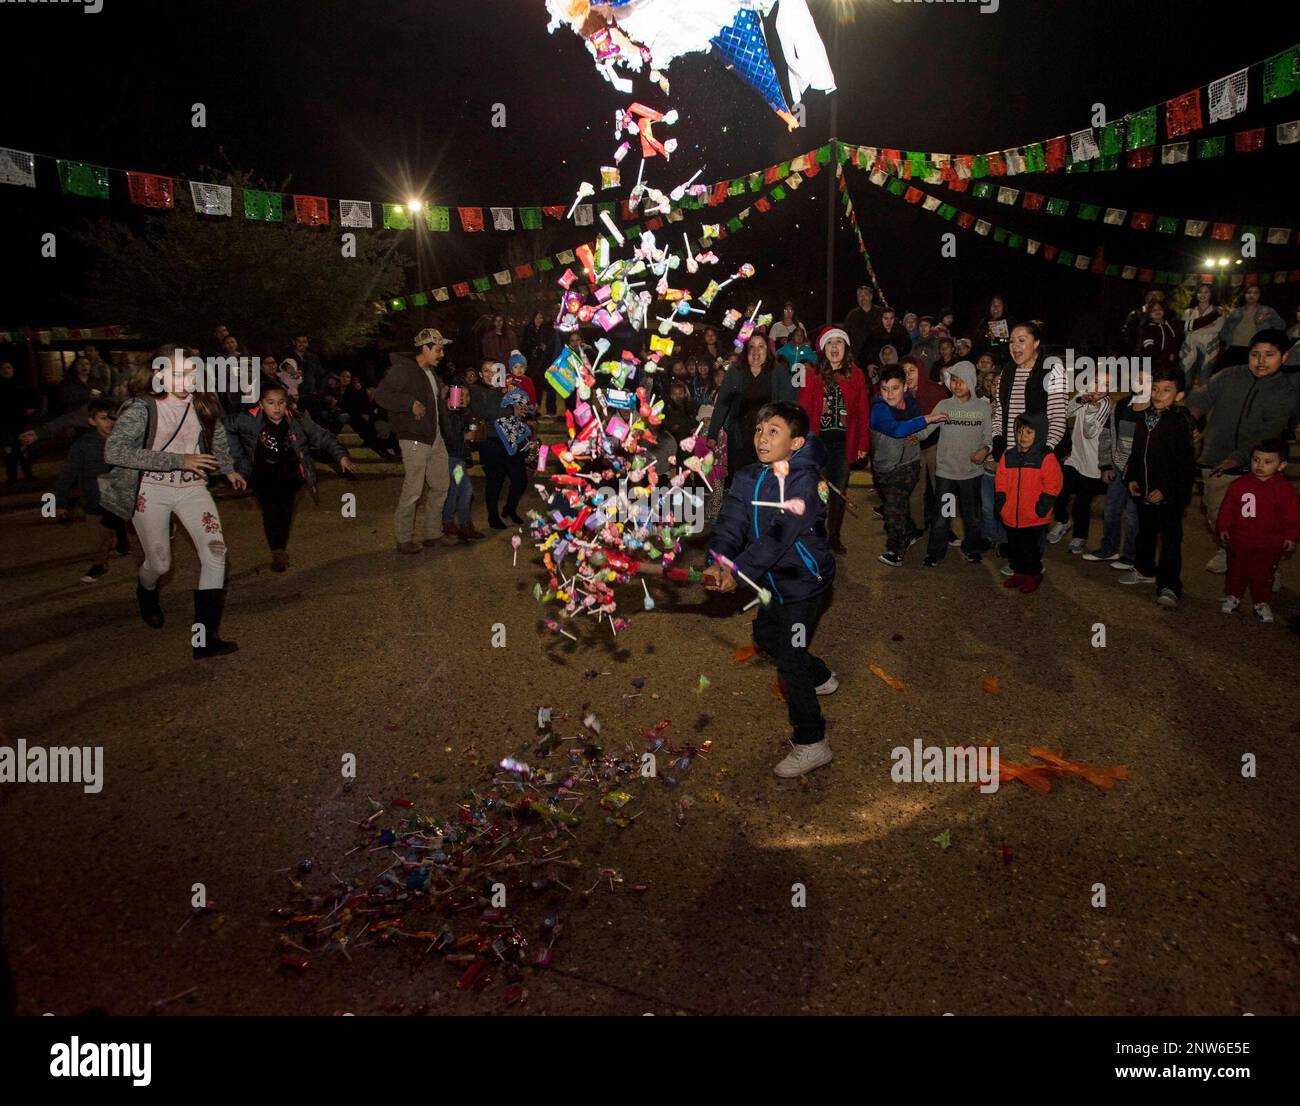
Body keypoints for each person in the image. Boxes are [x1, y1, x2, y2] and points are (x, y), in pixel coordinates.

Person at [703, 402, 838, 779]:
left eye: (773, 432)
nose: (762, 438)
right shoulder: (747, 477)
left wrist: (739, 571)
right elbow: (730, 524)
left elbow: (780, 535)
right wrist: (717, 561)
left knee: (790, 662)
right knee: (765, 635)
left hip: (805, 586)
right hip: (772, 583)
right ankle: (820, 675)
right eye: (759, 430)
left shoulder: (806, 482)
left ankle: (814, 741)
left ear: (796, 442)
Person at [100, 350, 247, 658]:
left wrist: (228, 468)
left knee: (216, 552)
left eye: (192, 373)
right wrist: (179, 460)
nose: (186, 381)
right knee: (160, 564)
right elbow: (114, 452)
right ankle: (146, 591)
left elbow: (217, 438)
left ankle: (205, 640)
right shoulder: (141, 408)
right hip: (150, 489)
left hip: (193, 488)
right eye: (178, 374)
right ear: (160, 375)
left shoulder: (204, 404)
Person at [1186, 330, 1300, 574]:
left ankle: (1267, 566)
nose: (1261, 361)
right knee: (1218, 514)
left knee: (1258, 520)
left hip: (1258, 468)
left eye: (1269, 355)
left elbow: (1268, 432)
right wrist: (1189, 421)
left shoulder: (1286, 393)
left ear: (1284, 357)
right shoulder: (1228, 376)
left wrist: (1238, 458)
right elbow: (1200, 399)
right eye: (1255, 354)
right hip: (1215, 462)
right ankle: (1227, 550)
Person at [226, 378, 356, 571]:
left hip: (290, 474)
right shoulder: (247, 419)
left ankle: (280, 545)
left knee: (286, 511)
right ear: (261, 403)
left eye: (281, 402)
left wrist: (341, 455)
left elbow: (322, 436)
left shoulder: (296, 419)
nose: (277, 408)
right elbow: (226, 428)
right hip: (262, 475)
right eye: (271, 403)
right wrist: (239, 459)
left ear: (287, 402)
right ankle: (278, 550)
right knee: (270, 511)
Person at [373, 327, 456, 554]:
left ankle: (433, 534)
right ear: (424, 348)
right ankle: (403, 539)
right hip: (414, 439)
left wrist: (446, 409)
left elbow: (433, 406)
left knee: (441, 486)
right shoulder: (403, 370)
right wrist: (409, 403)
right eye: (438, 349)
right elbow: (381, 395)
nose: (442, 354)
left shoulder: (430, 372)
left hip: (435, 438)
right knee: (413, 490)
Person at [1119, 367, 1196, 606]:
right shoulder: (1145, 417)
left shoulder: (1180, 422)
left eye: (1166, 390)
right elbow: (1137, 452)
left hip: (1169, 496)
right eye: (1154, 389)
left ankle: (1170, 585)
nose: (1158, 394)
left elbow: (1184, 463)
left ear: (1179, 395)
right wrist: (1132, 478)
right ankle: (1144, 569)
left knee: (1170, 540)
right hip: (1144, 490)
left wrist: (1166, 489)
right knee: (1145, 533)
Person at [797, 327, 870, 555]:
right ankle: (817, 535)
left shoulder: (856, 374)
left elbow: (862, 411)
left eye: (839, 342)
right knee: (818, 492)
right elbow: (804, 411)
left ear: (846, 348)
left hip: (843, 445)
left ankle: (834, 537)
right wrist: (802, 442)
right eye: (830, 343)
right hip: (819, 445)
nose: (835, 347)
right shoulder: (813, 374)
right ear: (823, 348)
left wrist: (863, 444)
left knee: (839, 492)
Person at [871, 366, 947, 566]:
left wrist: (929, 424)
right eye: (885, 389)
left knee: (893, 507)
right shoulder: (878, 408)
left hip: (909, 465)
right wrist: (926, 419)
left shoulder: (912, 404)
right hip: (884, 467)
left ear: (904, 387)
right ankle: (911, 531)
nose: (889, 394)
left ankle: (895, 551)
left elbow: (918, 431)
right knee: (898, 505)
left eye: (895, 388)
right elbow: (897, 430)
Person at [1216, 438, 1298, 623]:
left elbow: (1292, 516)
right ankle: (1233, 595)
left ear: (1281, 465)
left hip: (1269, 543)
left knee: (1263, 574)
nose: (1260, 465)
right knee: (1235, 570)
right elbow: (1227, 508)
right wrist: (1223, 527)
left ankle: (1261, 601)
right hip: (1240, 539)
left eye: (1268, 462)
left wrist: (1291, 537)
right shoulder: (1239, 484)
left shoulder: (1285, 490)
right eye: (1256, 460)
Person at [52, 397, 131, 582]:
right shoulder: (82, 446)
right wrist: (59, 503)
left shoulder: (126, 441)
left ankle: (127, 548)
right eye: (103, 418)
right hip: (96, 500)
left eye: (113, 418)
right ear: (92, 421)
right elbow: (67, 474)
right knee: (98, 538)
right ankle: (99, 563)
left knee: (132, 533)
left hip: (123, 498)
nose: (110, 423)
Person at [921, 361, 989, 567]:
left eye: (962, 381)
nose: (957, 385)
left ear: (971, 381)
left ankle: (972, 549)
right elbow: (926, 430)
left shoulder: (983, 407)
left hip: (971, 474)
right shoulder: (944, 405)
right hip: (947, 475)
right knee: (944, 516)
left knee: (972, 517)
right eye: (954, 380)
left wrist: (985, 450)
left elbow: (988, 438)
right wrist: (908, 431)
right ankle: (935, 552)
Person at [707, 332, 797, 481]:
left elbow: (789, 405)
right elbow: (722, 403)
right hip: (740, 436)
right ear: (746, 350)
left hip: (769, 437)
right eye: (752, 346)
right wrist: (712, 434)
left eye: (761, 346)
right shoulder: (735, 372)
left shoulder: (778, 371)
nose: (756, 351)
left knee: (766, 480)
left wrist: (791, 434)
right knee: (740, 479)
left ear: (768, 350)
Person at [994, 412, 1062, 593]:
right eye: (1019, 432)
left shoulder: (1046, 457)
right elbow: (1000, 481)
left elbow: (1053, 484)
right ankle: (1019, 571)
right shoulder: (1009, 456)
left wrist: (1042, 507)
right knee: (1014, 547)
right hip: (1011, 514)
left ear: (1039, 433)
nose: (1023, 437)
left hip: (1033, 516)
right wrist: (1001, 502)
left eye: (1029, 432)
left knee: (1030, 549)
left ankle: (1033, 574)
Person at [1083, 387, 1146, 571]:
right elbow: (1107, 435)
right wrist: (1106, 465)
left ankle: (1131, 556)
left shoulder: (1154, 410)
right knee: (1110, 510)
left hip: (1139, 472)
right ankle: (1109, 548)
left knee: (1132, 516)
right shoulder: (1121, 406)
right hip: (1118, 468)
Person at [989, 322, 1066, 462]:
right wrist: (997, 438)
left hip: (1038, 457)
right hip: (1009, 455)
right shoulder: (1007, 371)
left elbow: (1058, 418)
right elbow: (1000, 412)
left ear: (1036, 343)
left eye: (1022, 340)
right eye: (1011, 341)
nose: (1015, 346)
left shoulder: (1051, 370)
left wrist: (1044, 450)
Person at [1047, 387, 1111, 554]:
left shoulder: (1105, 405)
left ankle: (1080, 537)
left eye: (1105, 384)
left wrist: (1091, 410)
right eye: (1096, 381)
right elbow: (1065, 414)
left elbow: (1089, 432)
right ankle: (1063, 521)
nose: (1099, 387)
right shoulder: (1083, 394)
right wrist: (1079, 401)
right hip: (1074, 458)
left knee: (1081, 503)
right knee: (1059, 492)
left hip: (1093, 464)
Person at [470, 361, 528, 529]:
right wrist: (510, 411)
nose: (490, 374)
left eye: (494, 371)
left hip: (510, 439)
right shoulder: (476, 390)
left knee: (520, 479)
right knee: (495, 481)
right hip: (490, 440)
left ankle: (510, 508)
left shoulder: (505, 388)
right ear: (480, 374)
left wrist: (523, 407)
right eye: (486, 371)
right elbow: (484, 412)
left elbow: (519, 405)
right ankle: (493, 517)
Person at [904, 355, 947, 542]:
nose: (908, 375)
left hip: (936, 445)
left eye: (912, 371)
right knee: (915, 489)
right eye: (904, 371)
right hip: (912, 448)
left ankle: (946, 527)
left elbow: (944, 417)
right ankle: (917, 526)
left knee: (943, 488)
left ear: (920, 371)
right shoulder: (899, 392)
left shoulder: (934, 390)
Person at [440, 364, 486, 542]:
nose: (465, 399)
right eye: (461, 395)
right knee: (466, 489)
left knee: (454, 490)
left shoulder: (461, 414)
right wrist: (464, 435)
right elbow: (449, 435)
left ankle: (449, 523)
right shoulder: (451, 413)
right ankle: (464, 525)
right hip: (454, 460)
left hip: (457, 458)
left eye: (467, 396)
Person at [1217, 285, 1285, 373]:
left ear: (1260, 295)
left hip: (1255, 350)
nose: (1252, 295)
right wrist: (1227, 340)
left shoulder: (1266, 310)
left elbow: (1281, 326)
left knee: (1251, 375)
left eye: (1255, 293)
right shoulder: (1236, 312)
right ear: (1244, 295)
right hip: (1233, 348)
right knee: (1231, 375)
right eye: (1249, 292)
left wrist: (1271, 319)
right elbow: (1224, 332)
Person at [1181, 283, 1224, 392]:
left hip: (1210, 349)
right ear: (1196, 294)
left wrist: (1194, 328)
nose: (1202, 294)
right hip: (1190, 348)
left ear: (1211, 294)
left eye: (1206, 292)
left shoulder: (1218, 311)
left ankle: (1202, 401)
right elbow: (1185, 329)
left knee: (1203, 380)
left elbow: (1217, 329)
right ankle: (1186, 401)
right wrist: (1207, 325)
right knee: (1187, 381)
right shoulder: (1189, 312)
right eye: (1200, 292)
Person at [0, 361, 36, 483]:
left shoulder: (22, 385)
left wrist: (31, 409)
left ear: (13, 369)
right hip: (5, 424)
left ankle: (28, 474)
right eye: (3, 368)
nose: (6, 370)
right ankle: (12, 477)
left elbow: (33, 399)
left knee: (24, 450)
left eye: (8, 367)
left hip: (21, 423)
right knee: (10, 451)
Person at [1135, 301, 1182, 369]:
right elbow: (1150, 349)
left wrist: (1174, 353)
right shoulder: (1147, 328)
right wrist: (1166, 356)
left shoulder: (1171, 325)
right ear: (1149, 314)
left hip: (1168, 364)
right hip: (1149, 364)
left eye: (1159, 309)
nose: (1157, 311)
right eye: (1154, 310)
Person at [844, 284, 883, 364]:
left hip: (879, 357)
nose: (862, 298)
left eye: (865, 295)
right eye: (859, 296)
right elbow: (846, 335)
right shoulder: (852, 315)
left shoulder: (881, 313)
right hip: (857, 358)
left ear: (871, 296)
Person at [973, 295, 1012, 363]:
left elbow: (1011, 342)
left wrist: (997, 339)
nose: (995, 307)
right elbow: (977, 343)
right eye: (993, 305)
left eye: (999, 305)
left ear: (1003, 307)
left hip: (1004, 361)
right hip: (984, 362)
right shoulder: (983, 323)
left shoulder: (1010, 323)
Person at [291, 334, 324, 398]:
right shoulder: (288, 357)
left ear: (307, 343)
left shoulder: (314, 358)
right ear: (294, 342)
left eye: (304, 342)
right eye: (299, 341)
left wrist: (318, 391)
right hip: (293, 395)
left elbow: (319, 376)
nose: (302, 344)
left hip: (311, 394)